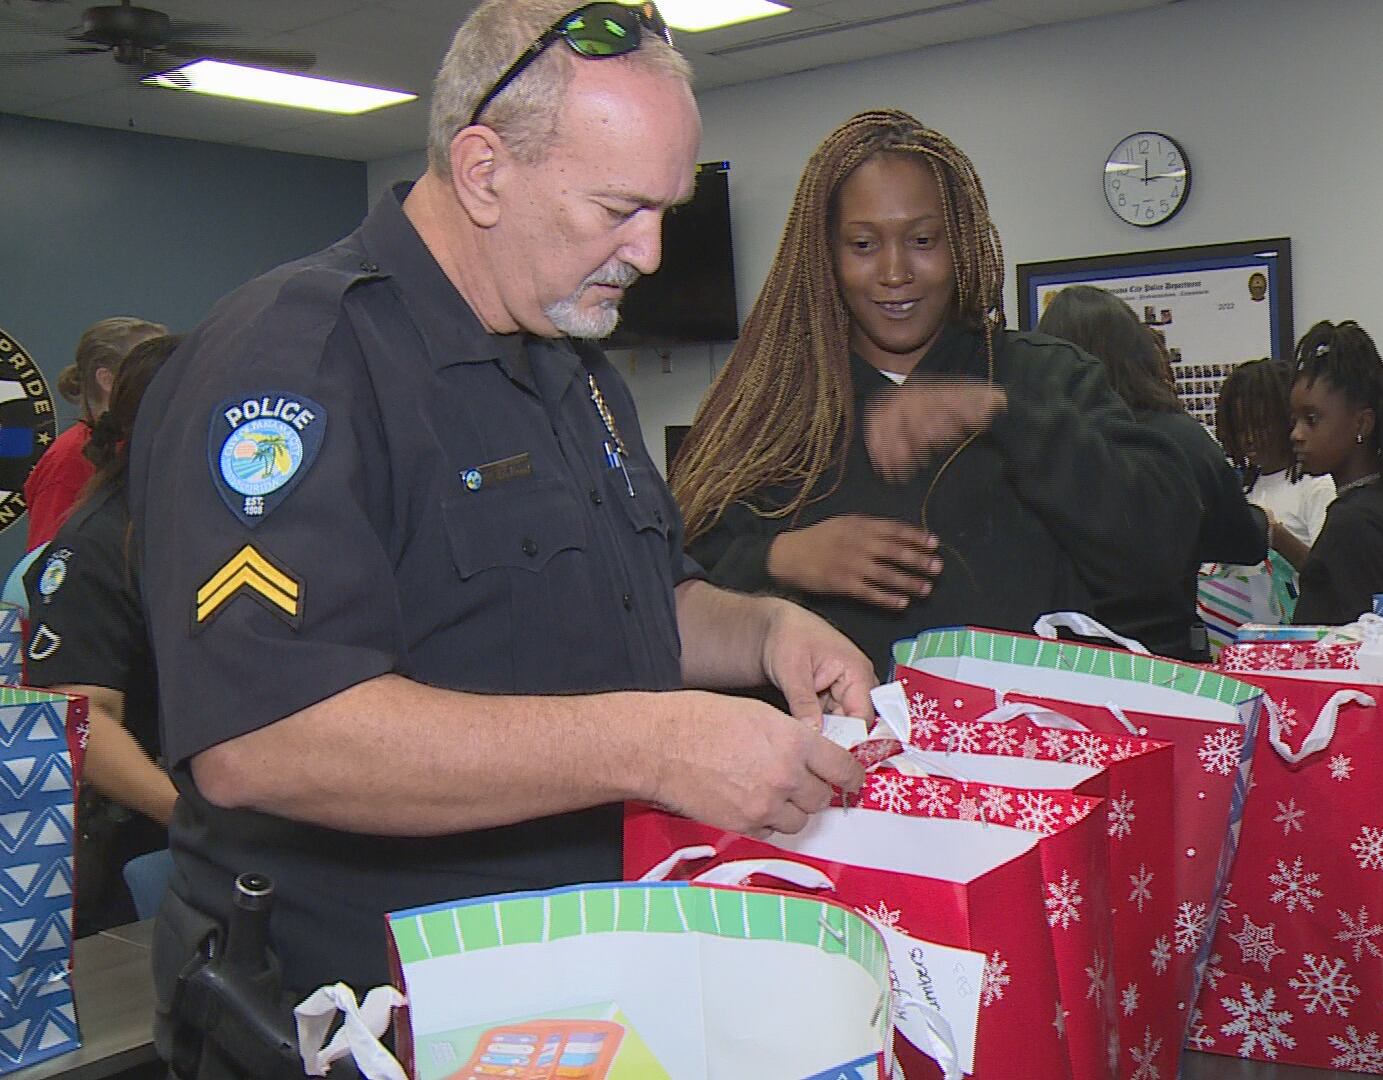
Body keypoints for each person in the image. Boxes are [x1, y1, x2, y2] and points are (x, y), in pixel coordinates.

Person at [129, 0, 872, 1041]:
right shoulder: (297, 359)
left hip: (563, 996)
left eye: (665, 210)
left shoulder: (573, 367)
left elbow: (639, 601)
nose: (650, 253)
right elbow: (265, 737)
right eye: (618, 207)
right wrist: (653, 746)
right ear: (483, 171)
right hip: (365, 1013)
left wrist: (765, 631)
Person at [672, 109, 1198, 673]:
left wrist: (1008, 415)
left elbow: (1160, 552)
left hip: (1028, 743)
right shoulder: (773, 406)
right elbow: (669, 583)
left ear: (961, 243)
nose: (895, 272)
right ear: (825, 254)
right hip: (833, 747)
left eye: (922, 240)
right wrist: (779, 558)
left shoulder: (1046, 376)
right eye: (864, 245)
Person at [25, 334, 179, 937]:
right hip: (139, 839)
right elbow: (81, 715)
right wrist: (198, 821)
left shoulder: (201, 518)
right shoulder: (97, 542)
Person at [1035, 285, 1264, 659]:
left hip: (1062, 658)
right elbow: (1242, 543)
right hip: (1167, 656)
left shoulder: (1037, 445)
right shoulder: (1182, 438)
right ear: (1138, 353)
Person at [1283, 321, 1383, 625]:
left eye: (1312, 420)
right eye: (1294, 420)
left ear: (1361, 425)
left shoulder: (1354, 521)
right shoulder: (1374, 504)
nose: (1296, 434)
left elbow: (1353, 641)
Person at [23, 316, 165, 551]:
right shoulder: (68, 458)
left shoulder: (148, 443)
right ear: (107, 379)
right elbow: (48, 568)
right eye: (151, 369)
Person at [1216, 356, 1337, 571]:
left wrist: (1275, 534)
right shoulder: (1245, 490)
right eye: (1241, 429)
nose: (1249, 438)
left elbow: (1327, 574)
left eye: (1260, 426)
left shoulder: (1316, 486)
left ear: (1285, 420)